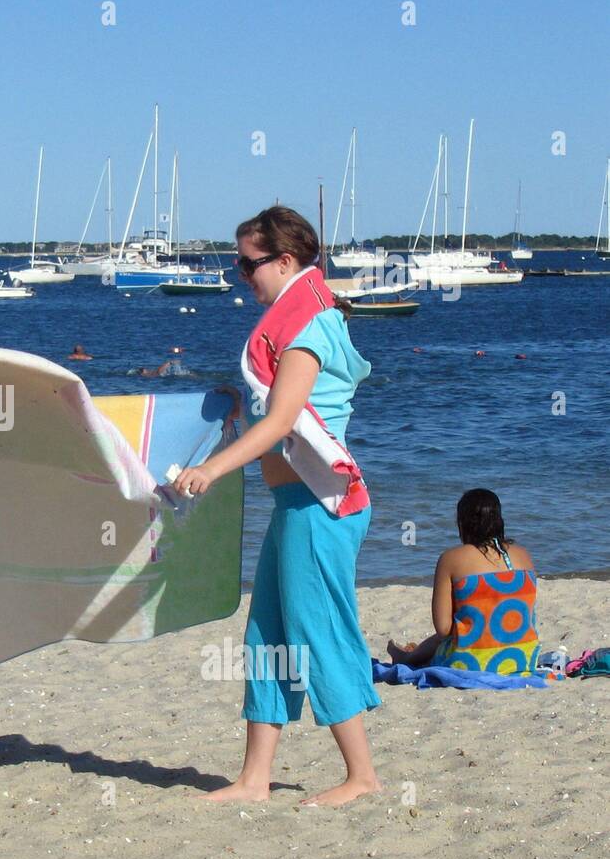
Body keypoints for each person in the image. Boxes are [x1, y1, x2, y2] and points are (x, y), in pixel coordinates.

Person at [174, 206, 380, 807]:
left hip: (321, 505)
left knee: (317, 633)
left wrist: (213, 468)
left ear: (284, 261)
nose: (242, 274)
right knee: (267, 635)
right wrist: (234, 414)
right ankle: (254, 778)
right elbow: (274, 415)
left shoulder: (310, 327)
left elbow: (287, 420)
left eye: (249, 263)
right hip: (294, 504)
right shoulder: (298, 319)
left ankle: (362, 776)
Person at [387, 489, 539, 674]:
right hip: (522, 659)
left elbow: (444, 629)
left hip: (470, 663)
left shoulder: (451, 559)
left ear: (462, 523)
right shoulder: (523, 555)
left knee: (449, 637)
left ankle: (406, 657)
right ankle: (410, 654)